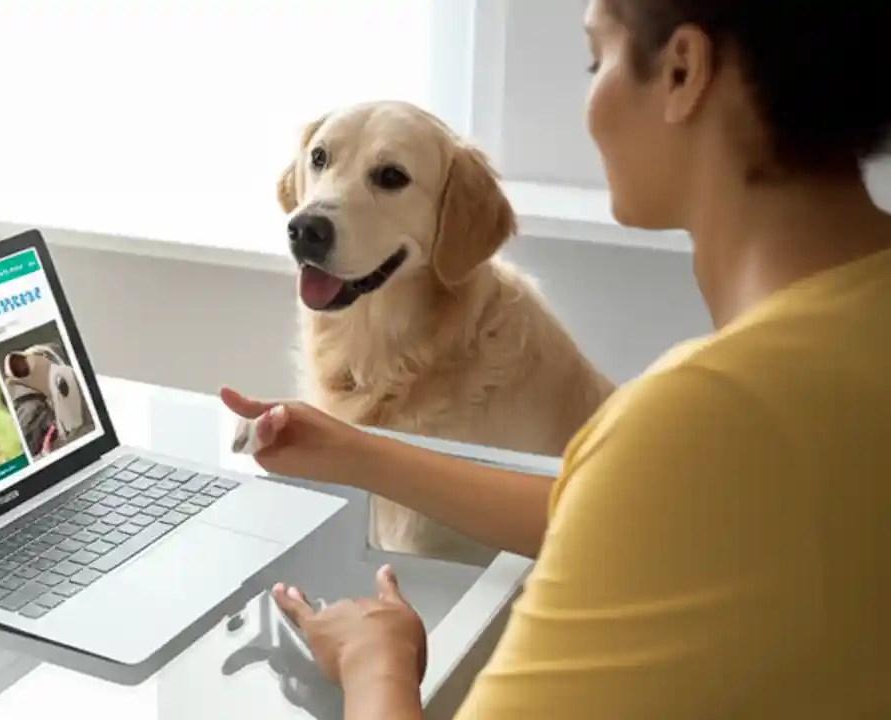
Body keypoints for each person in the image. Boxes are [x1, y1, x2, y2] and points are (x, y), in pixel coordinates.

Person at [221, 0, 891, 717]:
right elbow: (620, 510)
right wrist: (361, 453)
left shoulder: (704, 418)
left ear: (682, 71)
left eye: (596, 58)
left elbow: (653, 479)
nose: (589, 100)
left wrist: (373, 662)